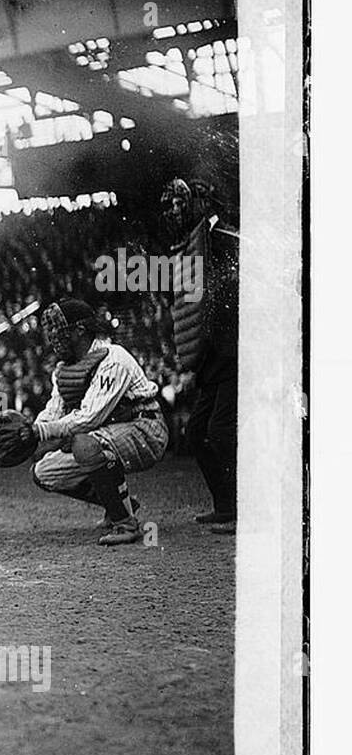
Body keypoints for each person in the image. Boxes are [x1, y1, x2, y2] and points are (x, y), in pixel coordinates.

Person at [29, 298, 169, 546]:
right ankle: (121, 504)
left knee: (85, 444)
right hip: (107, 434)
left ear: (79, 331)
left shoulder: (113, 358)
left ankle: (125, 524)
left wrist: (42, 432)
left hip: (144, 429)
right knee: (43, 472)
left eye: (58, 330)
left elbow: (89, 418)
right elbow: (53, 412)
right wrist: (28, 433)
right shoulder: (65, 368)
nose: (52, 336)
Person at [162, 176, 239, 534]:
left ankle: (246, 509)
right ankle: (226, 506)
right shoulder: (192, 247)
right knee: (197, 432)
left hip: (237, 357)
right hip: (214, 362)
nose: (174, 210)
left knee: (221, 432)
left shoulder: (226, 240)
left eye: (180, 203)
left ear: (201, 203)